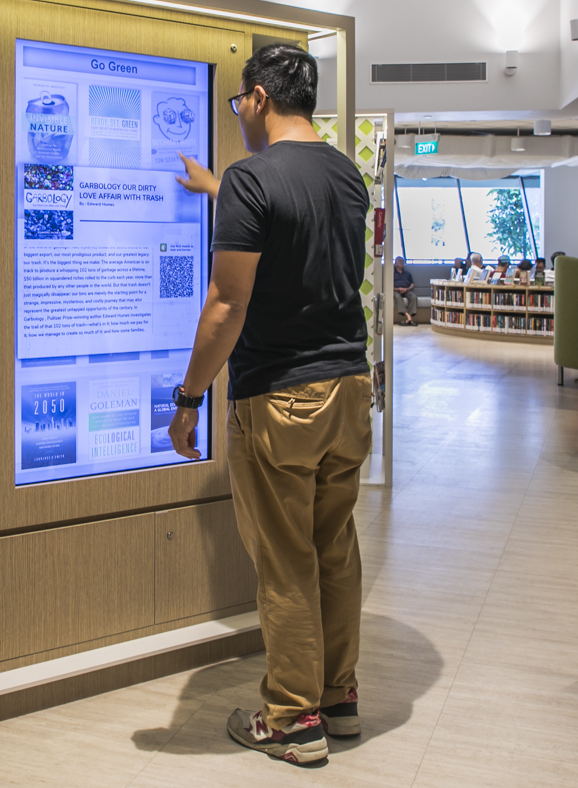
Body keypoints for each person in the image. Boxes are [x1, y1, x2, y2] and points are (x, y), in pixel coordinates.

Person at [169, 43, 371, 765]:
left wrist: (190, 396)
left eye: (238, 105)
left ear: (256, 97)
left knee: (284, 560)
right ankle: (339, 697)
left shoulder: (255, 180)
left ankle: (291, 719)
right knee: (334, 548)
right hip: (351, 388)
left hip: (282, 397)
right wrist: (219, 188)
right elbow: (296, 222)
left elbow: (227, 301)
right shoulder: (348, 176)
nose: (241, 117)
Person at [393, 256, 417, 325]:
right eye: (399, 261)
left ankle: (409, 318)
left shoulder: (407, 273)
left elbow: (412, 284)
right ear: (395, 262)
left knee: (413, 297)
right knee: (397, 297)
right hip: (395, 290)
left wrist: (407, 289)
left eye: (402, 261)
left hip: (406, 290)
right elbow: (388, 284)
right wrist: (397, 289)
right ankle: (407, 315)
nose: (401, 262)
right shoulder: (392, 273)